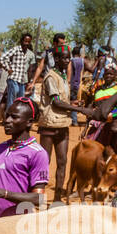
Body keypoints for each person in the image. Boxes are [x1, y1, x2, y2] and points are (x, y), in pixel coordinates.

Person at [0, 96, 49, 220]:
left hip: (15, 223)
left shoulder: (37, 153)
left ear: (29, 122)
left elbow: (39, 198)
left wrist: (3, 194)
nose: (7, 120)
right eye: (7, 115)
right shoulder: (0, 148)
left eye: (14, 117)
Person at [36, 46, 76, 200]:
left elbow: (62, 100)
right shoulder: (51, 77)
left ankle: (58, 197)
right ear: (56, 59)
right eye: (64, 58)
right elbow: (56, 102)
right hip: (49, 125)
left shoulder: (62, 76)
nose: (67, 61)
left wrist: (72, 103)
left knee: (62, 161)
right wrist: (78, 109)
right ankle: (38, 197)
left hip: (62, 124)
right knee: (44, 163)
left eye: (68, 58)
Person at [0, 33, 37, 109]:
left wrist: (30, 81)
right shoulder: (16, 49)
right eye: (25, 41)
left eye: (28, 42)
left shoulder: (31, 54)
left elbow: (31, 68)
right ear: (21, 41)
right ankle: (9, 116)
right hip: (14, 77)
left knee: (20, 100)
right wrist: (8, 68)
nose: (26, 43)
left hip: (22, 80)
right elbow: (2, 58)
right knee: (12, 98)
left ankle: (16, 117)